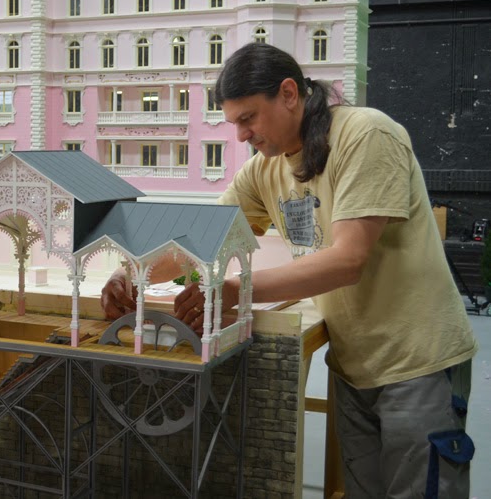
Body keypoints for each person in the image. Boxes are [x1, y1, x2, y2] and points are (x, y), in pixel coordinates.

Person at [100, 43, 477, 498]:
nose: (241, 135)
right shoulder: (265, 171)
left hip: (419, 364)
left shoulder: (367, 136)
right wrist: (131, 272)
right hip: (354, 369)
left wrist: (236, 290)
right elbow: (199, 239)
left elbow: (348, 259)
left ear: (289, 93)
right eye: (234, 122)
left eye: (248, 118)